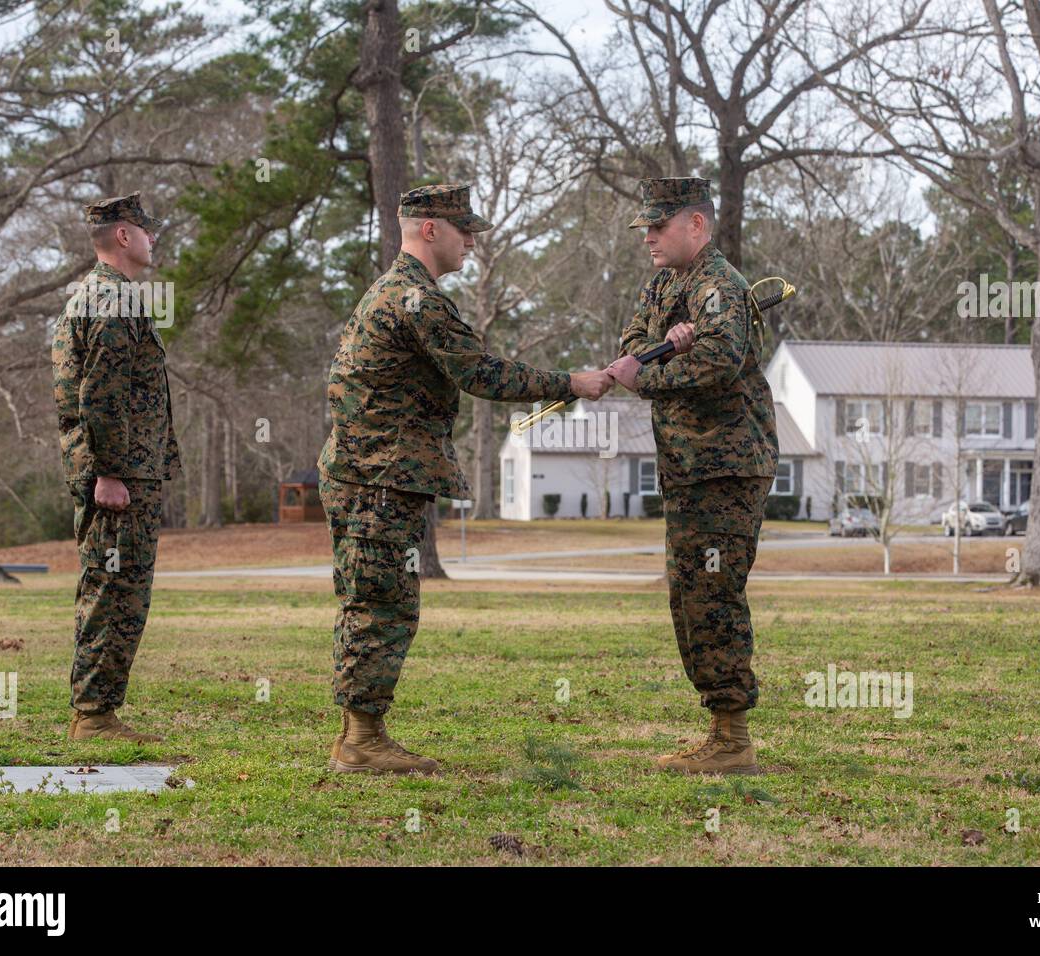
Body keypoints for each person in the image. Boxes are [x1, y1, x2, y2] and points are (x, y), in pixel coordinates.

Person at [319, 183, 614, 774]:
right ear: (430, 229)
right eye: (464, 229)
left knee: (371, 600)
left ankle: (361, 732)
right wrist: (572, 383)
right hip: (379, 477)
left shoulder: (393, 291)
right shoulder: (414, 299)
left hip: (371, 473)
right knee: (381, 605)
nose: (472, 241)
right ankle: (361, 741)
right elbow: (480, 373)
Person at [606, 177, 780, 774]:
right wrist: (661, 344)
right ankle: (719, 730)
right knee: (688, 594)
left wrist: (653, 370)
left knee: (713, 592)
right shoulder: (664, 285)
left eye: (659, 225)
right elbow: (630, 342)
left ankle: (733, 740)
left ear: (697, 225)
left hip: (727, 467)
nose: (649, 237)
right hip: (686, 467)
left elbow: (717, 361)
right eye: (646, 227)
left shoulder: (720, 288)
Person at [52, 191, 179, 742]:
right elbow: (99, 395)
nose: (154, 240)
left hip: (122, 469)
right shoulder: (113, 300)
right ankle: (95, 715)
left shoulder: (100, 295)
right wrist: (110, 472)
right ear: (124, 235)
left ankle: (95, 710)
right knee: (116, 589)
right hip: (117, 475)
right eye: (147, 231)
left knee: (110, 586)